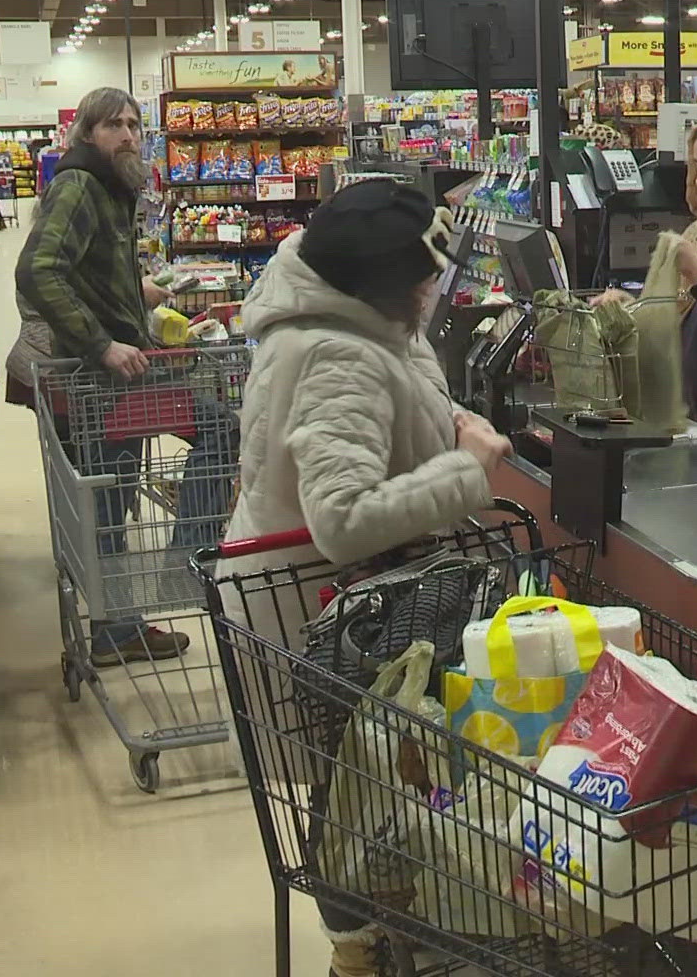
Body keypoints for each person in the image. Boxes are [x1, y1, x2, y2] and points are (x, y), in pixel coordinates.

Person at [211, 178, 510, 977]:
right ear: (381, 278)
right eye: (423, 273)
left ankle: (377, 936)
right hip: (319, 617)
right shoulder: (335, 350)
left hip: (346, 607)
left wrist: (447, 422)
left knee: (365, 785)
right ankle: (356, 948)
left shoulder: (351, 315)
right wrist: (465, 470)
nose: (433, 286)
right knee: (344, 796)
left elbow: (386, 403)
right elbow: (341, 519)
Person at [5, 86, 182, 666]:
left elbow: (87, 273)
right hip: (91, 378)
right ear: (86, 134)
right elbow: (37, 271)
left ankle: (118, 624)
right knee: (113, 496)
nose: (128, 135)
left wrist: (139, 293)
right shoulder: (80, 184)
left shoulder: (112, 186)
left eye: (133, 124)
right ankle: (164, 589)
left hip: (113, 376)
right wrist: (103, 344)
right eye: (113, 126)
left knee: (111, 497)